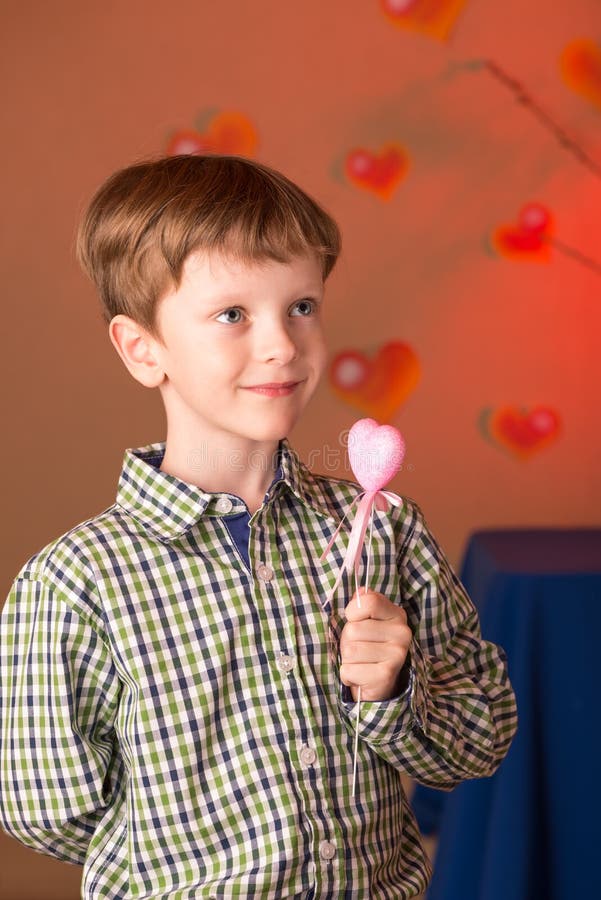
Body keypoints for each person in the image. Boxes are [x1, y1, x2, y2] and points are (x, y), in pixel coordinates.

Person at [0, 154, 517, 899]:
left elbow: (479, 738)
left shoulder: (383, 531)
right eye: (231, 315)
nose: (280, 343)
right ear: (142, 348)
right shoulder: (75, 584)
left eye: (301, 306)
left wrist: (395, 690)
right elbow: (46, 809)